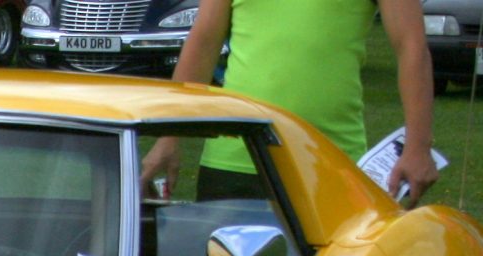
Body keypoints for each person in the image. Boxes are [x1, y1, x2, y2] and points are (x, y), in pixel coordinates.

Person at [143, 0, 438, 206]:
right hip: (235, 160)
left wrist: (418, 147)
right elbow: (204, 40)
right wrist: (168, 138)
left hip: (330, 163)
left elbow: (411, 46)